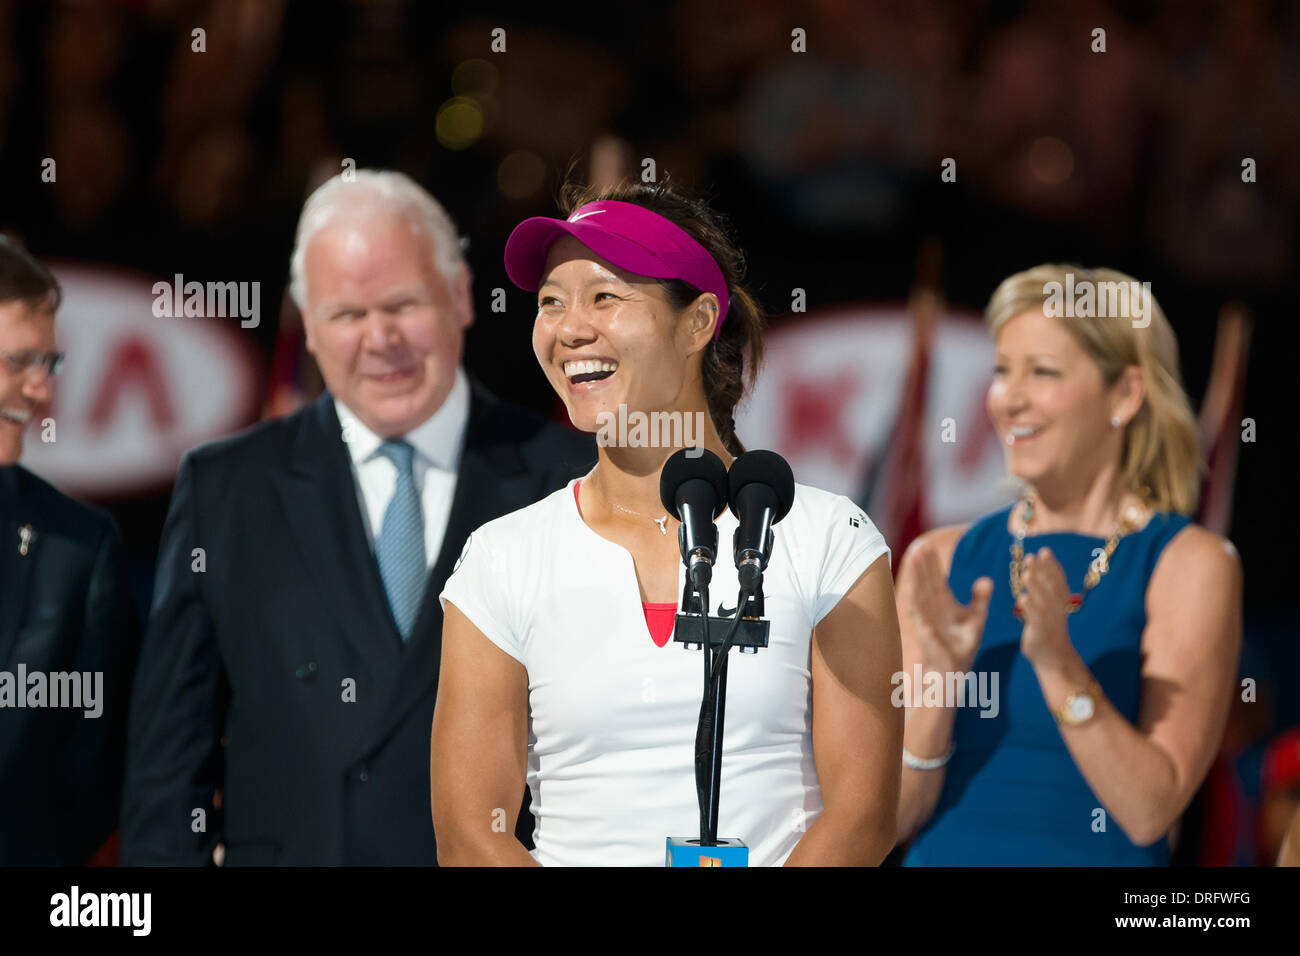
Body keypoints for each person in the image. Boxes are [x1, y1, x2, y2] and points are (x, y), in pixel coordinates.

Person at [119, 170, 594, 865]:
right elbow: (166, 772)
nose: (380, 339)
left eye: (403, 304)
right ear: (309, 329)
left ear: (461, 295)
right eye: (346, 315)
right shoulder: (227, 489)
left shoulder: (571, 479)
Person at [431, 180, 902, 866]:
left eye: (605, 297)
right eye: (551, 303)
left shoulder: (830, 538)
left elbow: (862, 817)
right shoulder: (501, 558)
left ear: (697, 320)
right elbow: (472, 837)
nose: (570, 329)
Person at [895, 264, 1242, 865]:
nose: (1011, 398)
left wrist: (1057, 662)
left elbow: (1149, 810)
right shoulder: (940, 557)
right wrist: (943, 684)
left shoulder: (1189, 564)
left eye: (1043, 372)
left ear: (1125, 394)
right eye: (1003, 370)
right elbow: (894, 819)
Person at [0, 236, 138, 864]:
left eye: (48, 364)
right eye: (18, 362)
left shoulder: (77, 550)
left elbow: (94, 775)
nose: (40, 392)